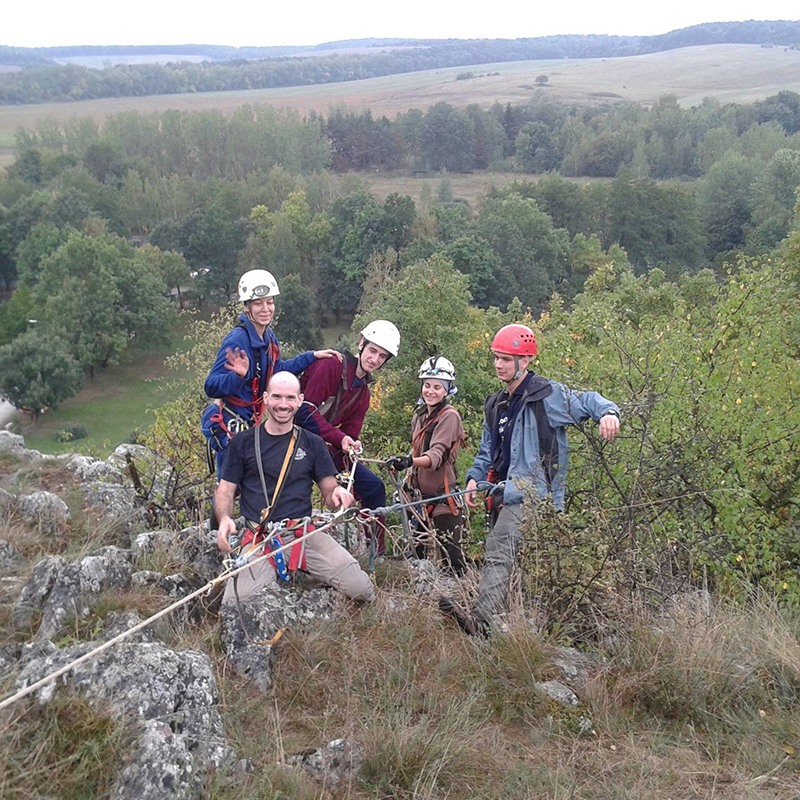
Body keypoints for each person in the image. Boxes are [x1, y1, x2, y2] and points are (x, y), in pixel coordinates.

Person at [439, 324, 620, 636]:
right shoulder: (495, 403)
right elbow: (487, 451)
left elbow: (587, 400)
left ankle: (479, 622)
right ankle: (516, 630)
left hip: (532, 495)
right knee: (513, 565)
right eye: (496, 358)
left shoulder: (546, 396)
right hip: (498, 494)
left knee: (497, 551)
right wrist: (473, 479)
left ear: (524, 362)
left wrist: (608, 413)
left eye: (506, 359)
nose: (498, 364)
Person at [215, 371, 375, 605]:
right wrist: (224, 519)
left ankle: (310, 573)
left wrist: (338, 493)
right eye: (277, 397)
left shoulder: (313, 443)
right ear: (266, 399)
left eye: (290, 398)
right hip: (260, 537)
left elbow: (329, 489)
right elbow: (225, 490)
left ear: (300, 400)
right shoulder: (243, 443)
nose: (283, 404)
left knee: (361, 590)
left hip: (303, 533)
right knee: (234, 603)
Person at [201, 269, 340, 479]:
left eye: (270, 302)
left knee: (251, 486)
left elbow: (276, 371)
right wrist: (238, 376)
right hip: (231, 427)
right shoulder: (237, 340)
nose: (266, 309)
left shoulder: (268, 337)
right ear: (246, 307)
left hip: (250, 424)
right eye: (258, 303)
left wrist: (312, 356)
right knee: (228, 490)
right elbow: (211, 386)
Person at [296, 320, 400, 553]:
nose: (375, 359)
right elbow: (304, 410)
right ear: (361, 344)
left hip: (324, 449)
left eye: (382, 356)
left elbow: (349, 434)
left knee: (373, 488)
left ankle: (374, 551)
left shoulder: (362, 393)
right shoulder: (332, 365)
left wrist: (350, 445)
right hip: (295, 440)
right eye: (372, 350)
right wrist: (338, 437)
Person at [386, 356, 467, 574]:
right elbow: (419, 453)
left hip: (442, 495)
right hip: (418, 496)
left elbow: (436, 457)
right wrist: (408, 465)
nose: (430, 391)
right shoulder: (420, 416)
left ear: (447, 390)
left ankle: (460, 598)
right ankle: (423, 603)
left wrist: (410, 461)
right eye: (427, 385)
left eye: (437, 387)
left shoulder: (450, 417)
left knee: (452, 556)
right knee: (417, 555)